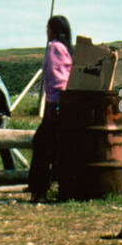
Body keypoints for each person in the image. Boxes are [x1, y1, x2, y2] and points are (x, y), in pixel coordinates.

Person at [28, 16, 73, 203]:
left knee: (41, 146)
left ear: (53, 30)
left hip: (55, 104)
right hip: (64, 103)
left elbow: (57, 79)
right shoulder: (68, 49)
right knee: (55, 149)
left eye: (47, 28)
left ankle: (39, 191)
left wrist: (53, 105)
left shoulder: (54, 47)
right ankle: (53, 190)